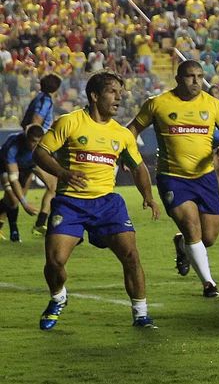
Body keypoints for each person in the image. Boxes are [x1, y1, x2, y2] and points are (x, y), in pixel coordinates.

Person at [33, 71, 160, 330]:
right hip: (70, 202)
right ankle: (58, 297)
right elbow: (40, 153)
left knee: (131, 256)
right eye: (112, 92)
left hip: (107, 203)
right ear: (94, 96)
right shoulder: (69, 122)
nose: (119, 98)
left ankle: (141, 314)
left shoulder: (122, 134)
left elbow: (138, 167)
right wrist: (63, 173)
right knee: (55, 262)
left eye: (120, 93)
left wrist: (148, 196)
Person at [128, 60, 219, 299]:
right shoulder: (158, 103)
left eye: (200, 76)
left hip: (206, 177)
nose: (196, 81)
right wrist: (129, 155)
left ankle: (181, 245)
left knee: (208, 238)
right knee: (192, 227)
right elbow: (132, 129)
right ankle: (209, 283)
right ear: (178, 79)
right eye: (190, 76)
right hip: (173, 178)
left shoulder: (213, 104)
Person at [21, 73, 62, 236]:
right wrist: (37, 147)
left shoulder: (39, 97)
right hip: (35, 150)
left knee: (20, 191)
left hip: (29, 148)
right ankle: (40, 224)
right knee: (53, 186)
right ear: (56, 88)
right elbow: (36, 122)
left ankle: (39, 224)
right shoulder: (45, 101)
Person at [0, 125, 44, 242]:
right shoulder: (13, 146)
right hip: (5, 167)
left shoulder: (40, 147)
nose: (34, 145)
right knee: (14, 199)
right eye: (32, 141)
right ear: (27, 137)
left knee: (12, 200)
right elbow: (13, 178)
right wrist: (25, 204)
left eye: (38, 142)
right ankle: (14, 231)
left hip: (26, 168)